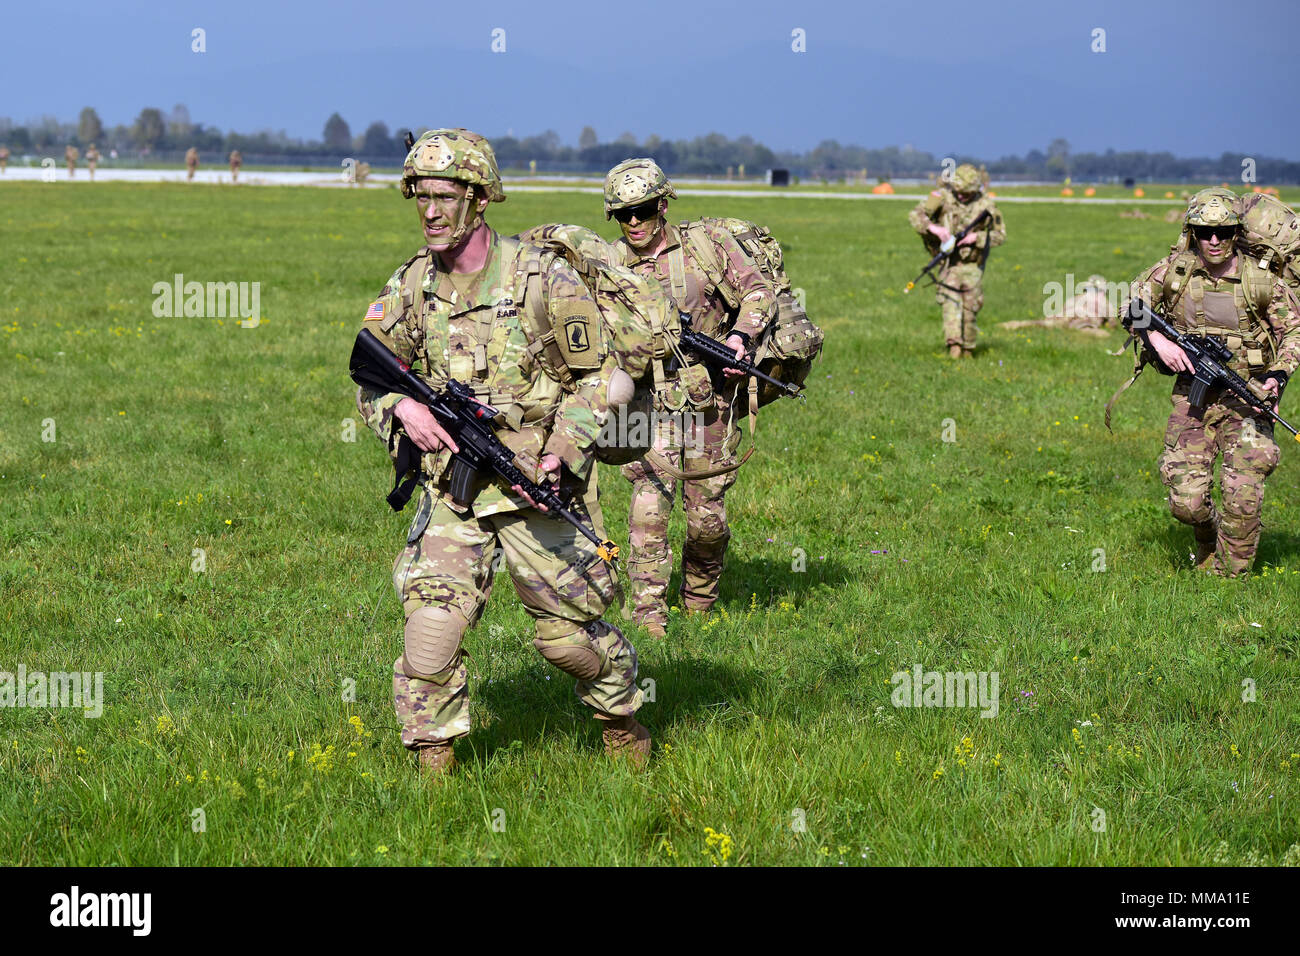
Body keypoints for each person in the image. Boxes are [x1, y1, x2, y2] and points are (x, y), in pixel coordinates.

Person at [355, 129, 650, 773]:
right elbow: (370, 373)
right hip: (453, 495)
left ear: (479, 199)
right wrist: (400, 408)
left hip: (533, 484)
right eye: (419, 197)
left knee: (568, 642)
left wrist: (563, 449)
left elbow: (604, 377)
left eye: (443, 197)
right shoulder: (410, 285)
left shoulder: (542, 279)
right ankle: (433, 777)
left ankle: (623, 722)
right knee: (430, 634)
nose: (429, 212)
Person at [601, 158, 777, 639]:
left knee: (707, 519)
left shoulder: (706, 248)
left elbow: (760, 292)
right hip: (641, 402)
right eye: (622, 214)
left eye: (641, 210)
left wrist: (740, 338)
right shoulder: (607, 263)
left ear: (661, 205)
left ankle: (700, 604)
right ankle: (648, 616)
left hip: (708, 400)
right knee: (648, 509)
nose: (633, 222)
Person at [1126, 187, 1300, 576]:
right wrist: (1155, 337)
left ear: (1237, 232)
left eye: (1223, 231)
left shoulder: (1260, 282)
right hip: (1194, 398)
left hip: (1249, 398)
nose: (1214, 240)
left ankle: (1228, 581)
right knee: (1185, 502)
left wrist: (1278, 373)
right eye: (1205, 232)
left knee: (1243, 494)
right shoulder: (1176, 272)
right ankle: (1208, 532)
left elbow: (1295, 332)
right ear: (1193, 232)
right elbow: (1131, 303)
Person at [907, 162, 1006, 358]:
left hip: (972, 266)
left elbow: (1000, 235)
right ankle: (954, 347)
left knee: (971, 309)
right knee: (950, 305)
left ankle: (968, 348)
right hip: (948, 264)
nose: (961, 196)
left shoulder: (986, 205)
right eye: (958, 191)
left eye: (966, 194)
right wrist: (934, 229)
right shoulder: (942, 198)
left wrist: (976, 238)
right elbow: (915, 216)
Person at [1000, 274, 1114, 336]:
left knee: (1046, 324)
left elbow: (1063, 308)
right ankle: (1084, 333)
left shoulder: (1077, 297)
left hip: (1064, 315)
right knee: (1090, 331)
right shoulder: (1105, 303)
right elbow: (1112, 323)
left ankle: (1018, 324)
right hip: (1085, 317)